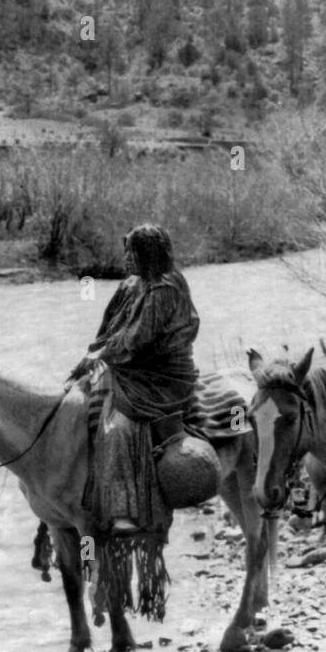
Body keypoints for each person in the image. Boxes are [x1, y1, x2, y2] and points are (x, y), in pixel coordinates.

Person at [69, 223, 201, 535]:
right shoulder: (135, 284)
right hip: (135, 366)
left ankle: (123, 511)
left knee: (116, 427)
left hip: (161, 377)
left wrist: (101, 355)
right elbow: (115, 328)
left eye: (132, 252)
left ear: (147, 254)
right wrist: (96, 350)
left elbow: (137, 338)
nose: (126, 259)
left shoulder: (164, 289)